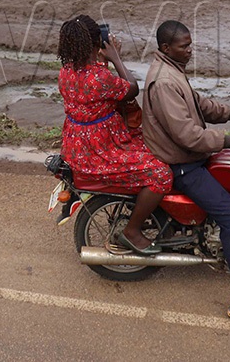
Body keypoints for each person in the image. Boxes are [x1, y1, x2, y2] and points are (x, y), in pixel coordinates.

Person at [141, 19, 230, 329]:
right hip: (182, 163)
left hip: (190, 156)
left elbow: (199, 106)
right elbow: (188, 135)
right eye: (184, 46)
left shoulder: (173, 70)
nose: (190, 51)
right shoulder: (165, 81)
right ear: (167, 48)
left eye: (190, 44)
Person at [57, 15, 172, 254]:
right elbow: (131, 89)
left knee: (153, 151)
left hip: (79, 145)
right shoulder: (100, 77)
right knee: (161, 173)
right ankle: (131, 230)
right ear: (96, 44)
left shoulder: (66, 72)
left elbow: (97, 87)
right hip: (101, 149)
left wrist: (102, 60)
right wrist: (116, 58)